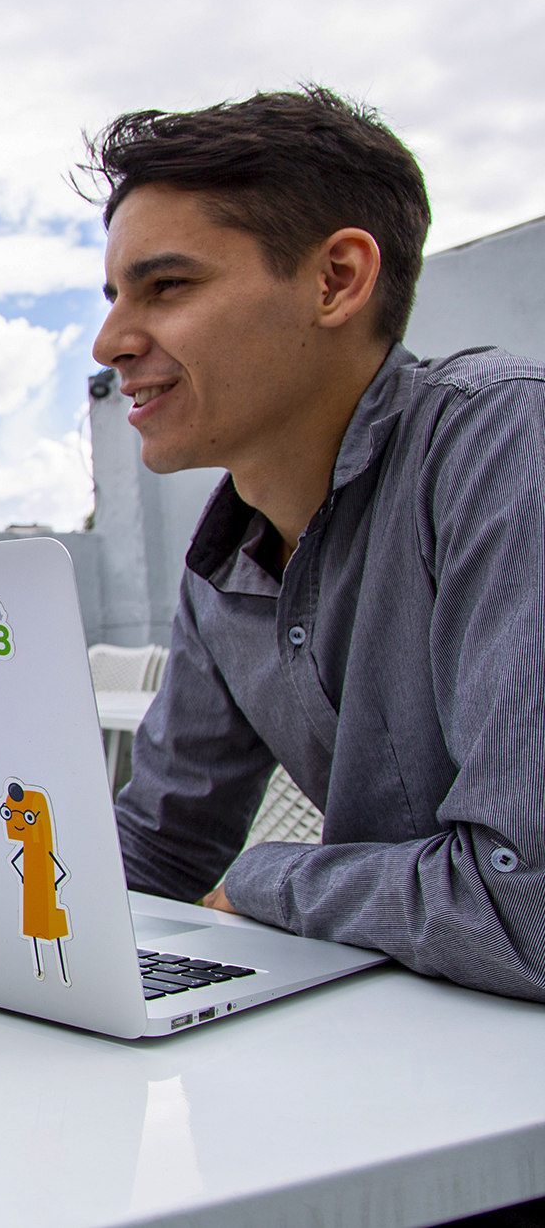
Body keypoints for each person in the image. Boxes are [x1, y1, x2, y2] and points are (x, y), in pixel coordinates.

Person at [87, 88, 545, 1005]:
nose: (110, 342)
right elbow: (163, 848)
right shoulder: (227, 557)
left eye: (167, 287)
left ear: (336, 279)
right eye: (113, 297)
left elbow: (521, 901)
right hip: (404, 1042)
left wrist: (266, 880)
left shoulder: (505, 442)